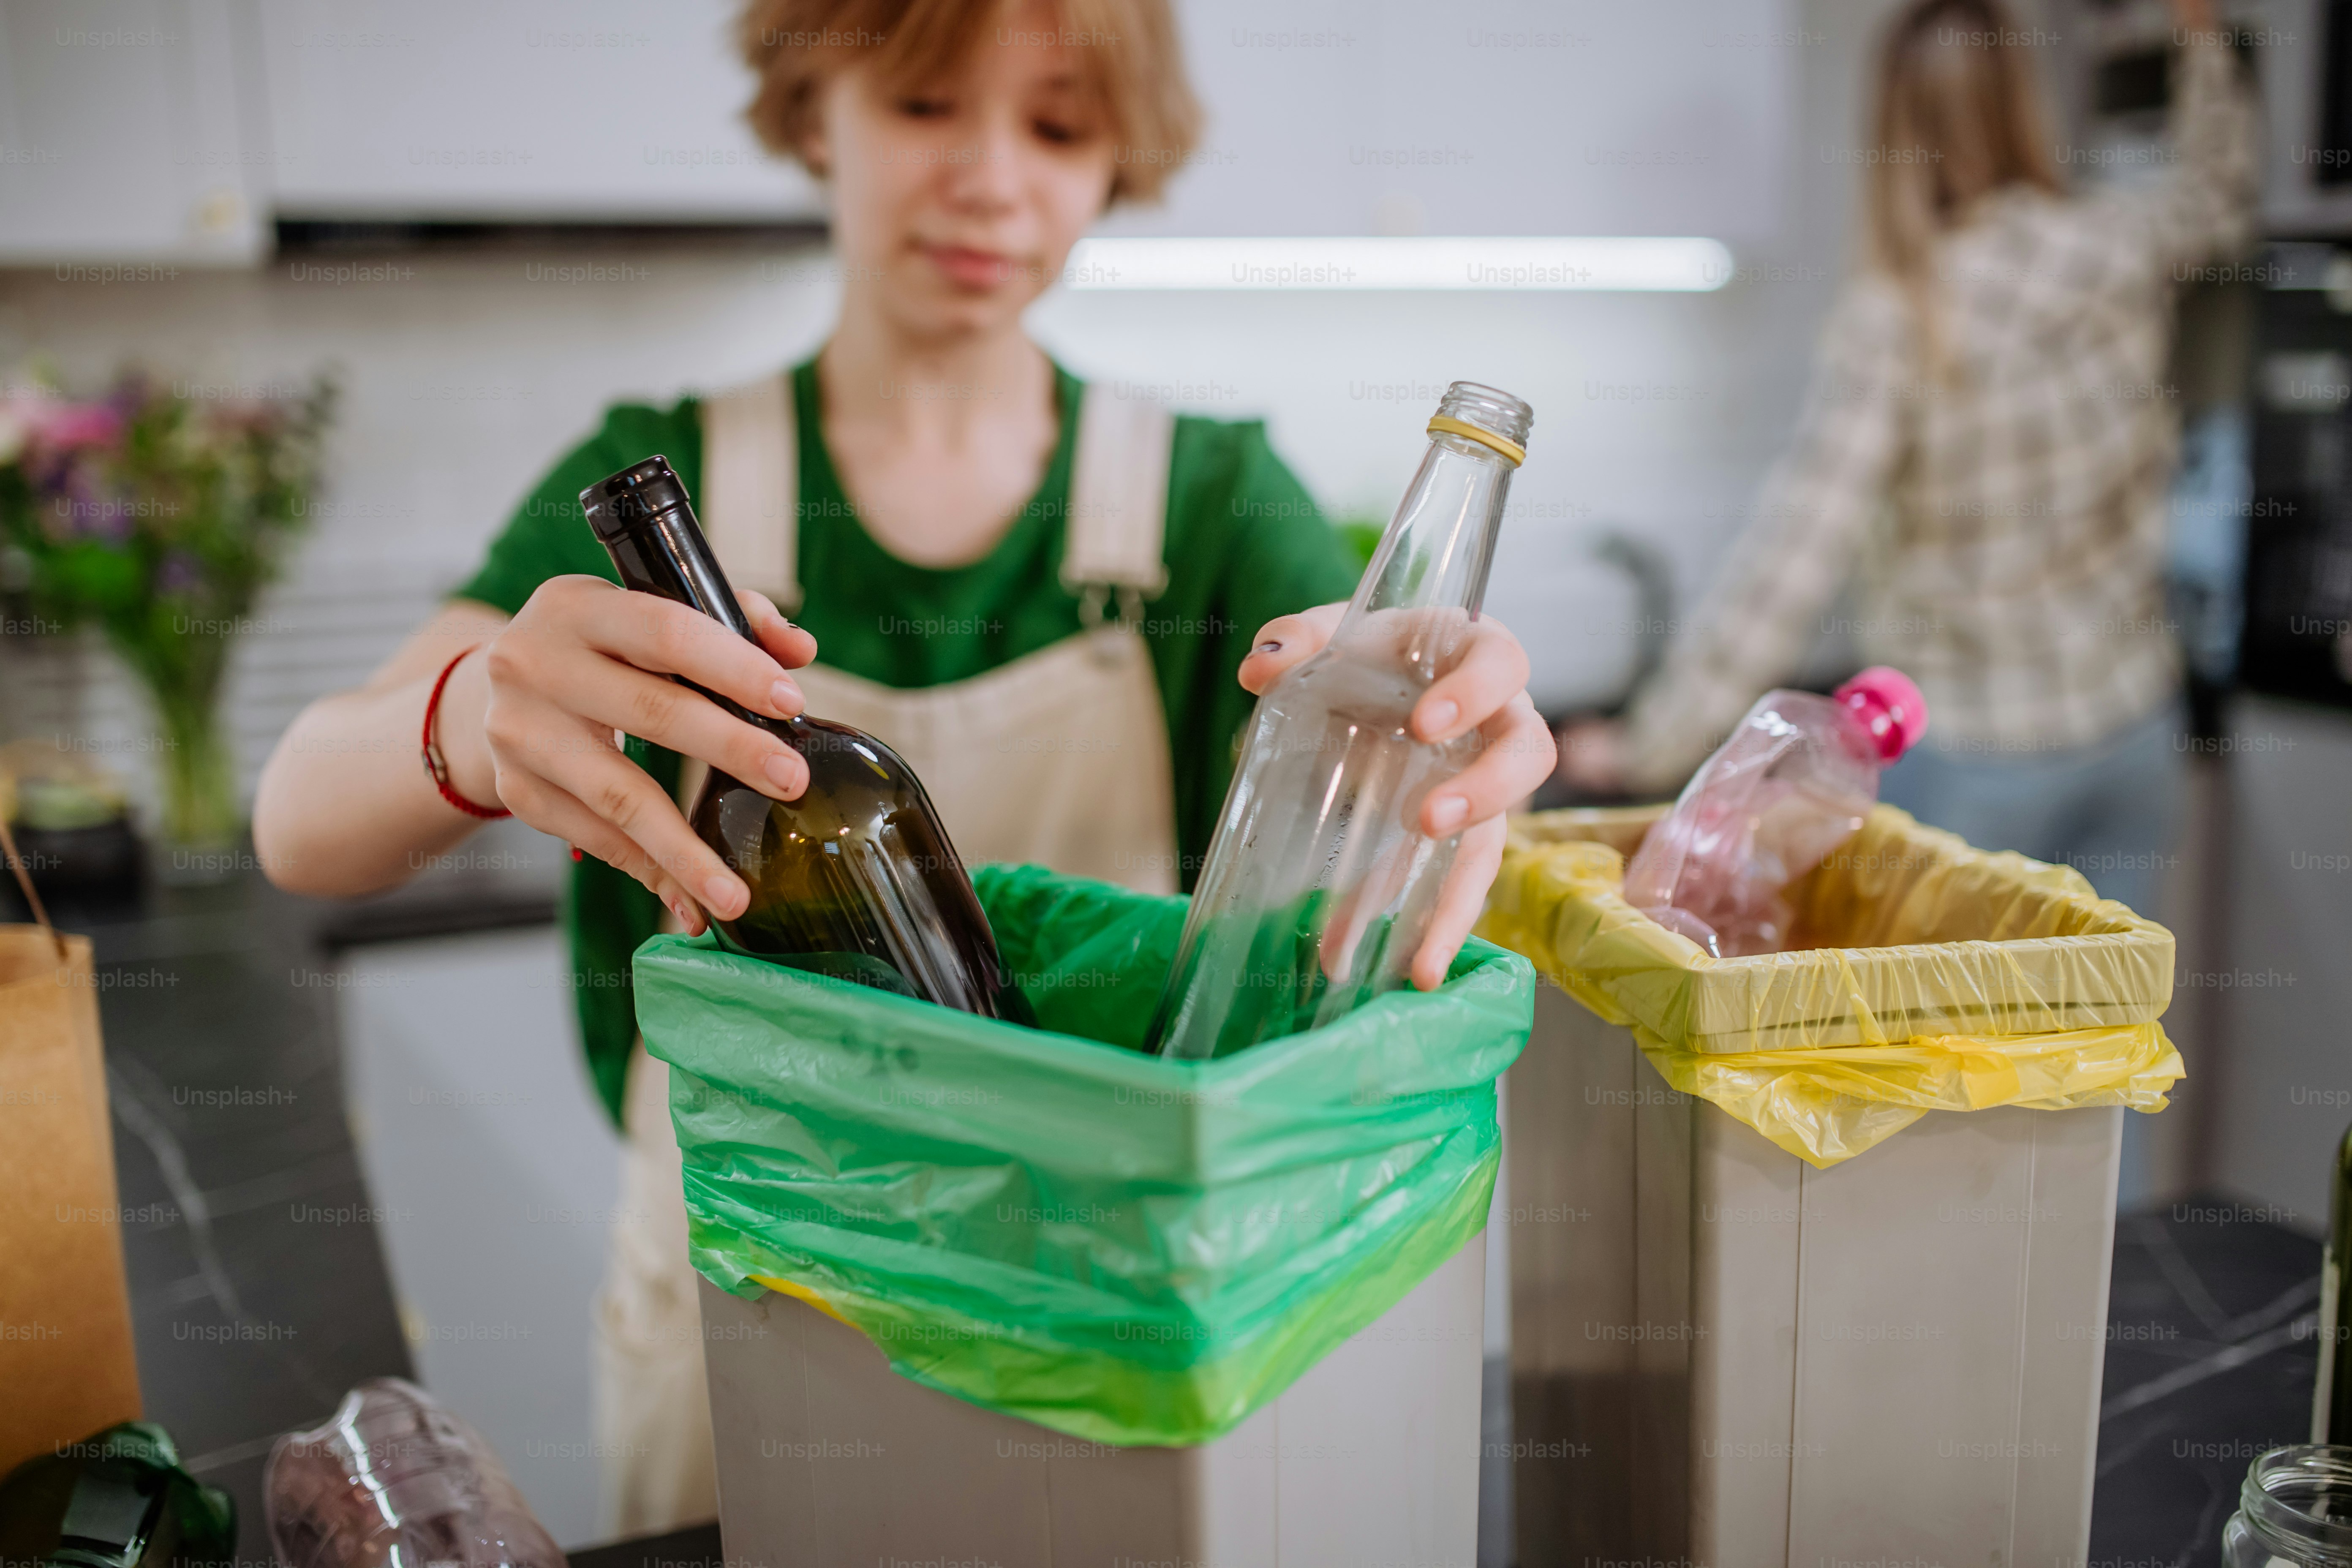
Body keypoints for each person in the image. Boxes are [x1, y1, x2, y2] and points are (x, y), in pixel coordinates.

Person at [253, 0, 1553, 1537]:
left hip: (1094, 1311)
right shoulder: (673, 474)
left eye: (1059, 126)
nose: (995, 179)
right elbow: (301, 821)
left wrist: (1430, 734)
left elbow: (1350, 794)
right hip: (756, 1295)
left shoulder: (1207, 501)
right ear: (814, 111)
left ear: (1114, 162)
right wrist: (459, 722)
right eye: (929, 104)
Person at [1561, 0, 2254, 921]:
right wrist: (2201, 41)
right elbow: (2222, 188)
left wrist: (1648, 745)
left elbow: (1793, 560)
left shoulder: (1899, 317)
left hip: (1976, 764)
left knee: (1951, 1059)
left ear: (1895, 130)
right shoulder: (2115, 245)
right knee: (2103, 1049)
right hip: (2132, 731)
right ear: (2022, 101)